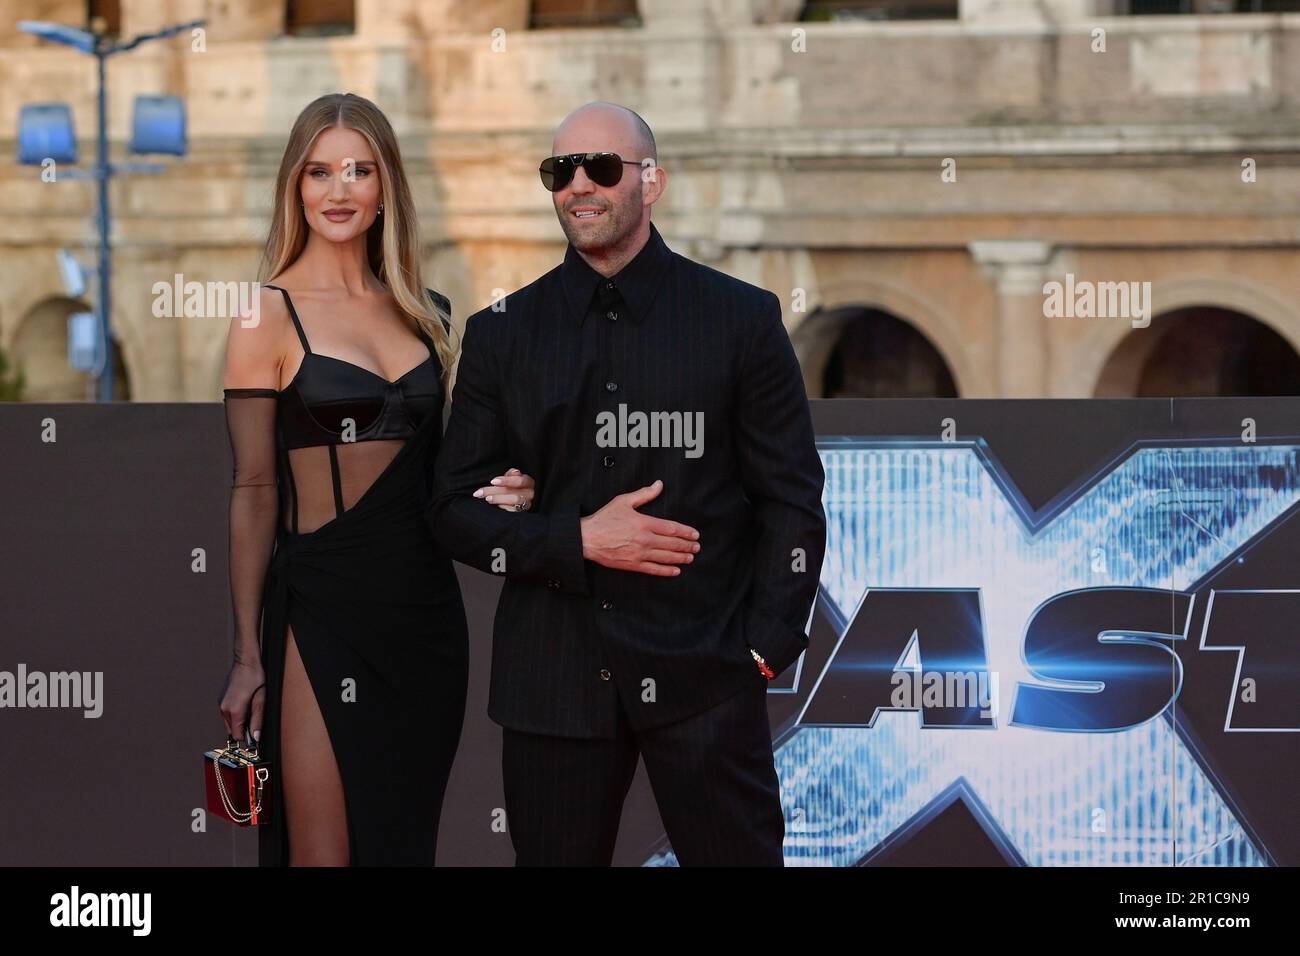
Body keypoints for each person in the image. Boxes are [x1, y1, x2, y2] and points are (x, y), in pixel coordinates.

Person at [428, 101, 827, 865]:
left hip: (707, 672)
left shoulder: (739, 320)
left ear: (652, 181)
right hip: (554, 679)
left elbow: (792, 500)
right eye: (560, 171)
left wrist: (765, 648)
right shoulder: (502, 332)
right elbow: (451, 512)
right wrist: (576, 539)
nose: (579, 185)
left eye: (602, 168)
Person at [218, 92, 536, 866]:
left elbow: (440, 476)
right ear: (295, 186)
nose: (339, 190)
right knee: (324, 855)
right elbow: (256, 489)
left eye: (360, 170)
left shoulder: (427, 310)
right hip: (321, 611)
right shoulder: (264, 314)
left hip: (424, 620)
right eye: (319, 172)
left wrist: (508, 489)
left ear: (386, 184)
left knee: (402, 846)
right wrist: (249, 654)